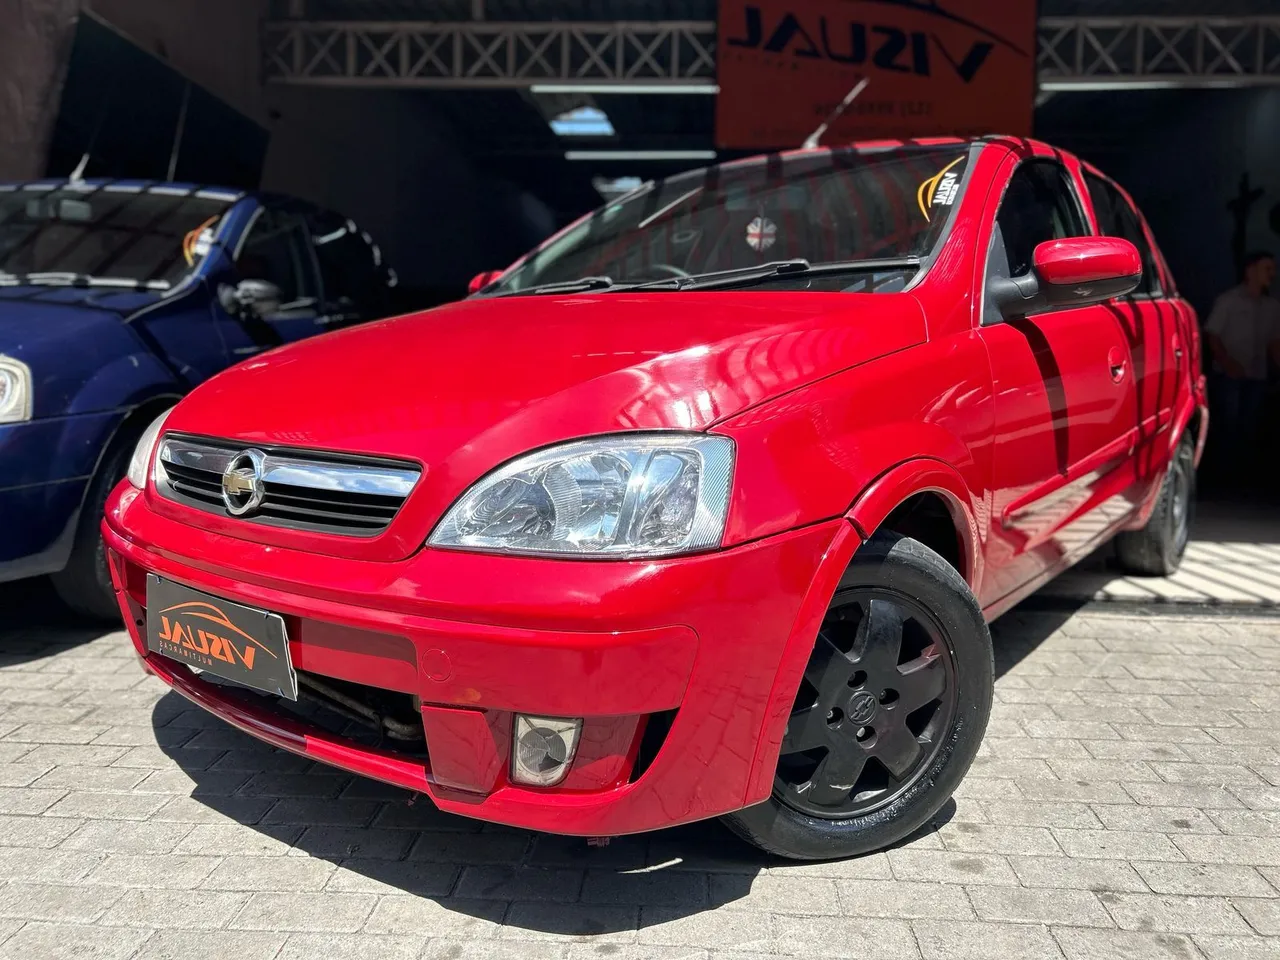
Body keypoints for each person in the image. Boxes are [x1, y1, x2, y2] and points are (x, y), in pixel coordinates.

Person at [1205, 250, 1280, 468]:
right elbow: (1212, 335)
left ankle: (1241, 473)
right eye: (1267, 268)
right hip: (1229, 375)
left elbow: (1274, 343)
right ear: (1250, 271)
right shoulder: (1229, 301)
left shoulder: (1272, 307)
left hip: (1256, 375)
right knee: (1229, 424)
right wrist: (1227, 363)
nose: (1272, 274)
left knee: (1250, 426)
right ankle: (1224, 473)